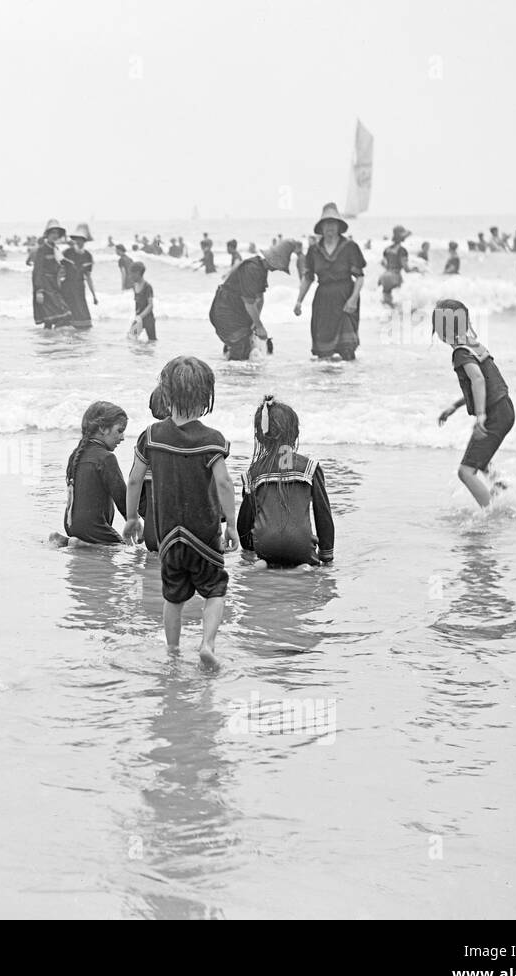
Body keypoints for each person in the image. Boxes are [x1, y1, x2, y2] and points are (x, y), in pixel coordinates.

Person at [122, 356, 237, 667]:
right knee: (215, 590)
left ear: (166, 395)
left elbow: (133, 479)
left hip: (168, 535)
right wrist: (233, 526)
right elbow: (225, 484)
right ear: (205, 398)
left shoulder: (151, 436)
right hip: (204, 533)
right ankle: (207, 645)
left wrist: (132, 518)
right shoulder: (212, 441)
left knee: (173, 596)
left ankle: (172, 653)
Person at [237, 395, 334, 567]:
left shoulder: (254, 472)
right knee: (306, 562)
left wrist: (249, 550)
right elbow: (323, 514)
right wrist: (326, 556)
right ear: (295, 433)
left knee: (266, 559)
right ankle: (302, 567)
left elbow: (245, 521)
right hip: (302, 550)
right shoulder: (310, 468)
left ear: (260, 437)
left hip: (265, 548)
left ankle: (266, 564)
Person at [435, 299, 515, 508]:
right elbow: (483, 383)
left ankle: (491, 513)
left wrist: (481, 415)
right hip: (504, 408)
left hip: (495, 412)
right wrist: (455, 406)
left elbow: (478, 379)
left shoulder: (460, 353)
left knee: (465, 471)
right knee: (480, 460)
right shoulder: (473, 347)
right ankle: (504, 490)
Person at [294, 204, 365, 361]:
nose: (330, 227)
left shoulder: (350, 247)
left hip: (345, 298)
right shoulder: (314, 250)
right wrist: (299, 300)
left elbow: (359, 277)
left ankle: (350, 383)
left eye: (333, 223)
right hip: (323, 301)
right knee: (323, 353)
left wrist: (353, 299)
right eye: (327, 223)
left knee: (347, 350)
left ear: (339, 226)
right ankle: (325, 385)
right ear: (321, 227)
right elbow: (308, 277)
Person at [211, 238, 300, 360]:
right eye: (280, 265)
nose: (278, 269)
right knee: (240, 346)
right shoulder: (252, 269)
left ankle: (236, 371)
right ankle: (233, 373)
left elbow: (260, 298)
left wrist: (255, 323)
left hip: (237, 310)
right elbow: (249, 302)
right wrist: (259, 326)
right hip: (226, 309)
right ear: (274, 261)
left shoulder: (261, 269)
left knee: (245, 344)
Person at [55, 401, 128, 545]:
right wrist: (133, 521)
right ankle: (81, 545)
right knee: (123, 550)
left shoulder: (76, 455)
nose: (123, 437)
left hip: (71, 526)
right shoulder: (106, 458)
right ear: (102, 428)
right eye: (119, 431)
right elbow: (122, 498)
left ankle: (68, 541)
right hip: (95, 529)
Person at [31, 220, 73, 329]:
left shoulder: (55, 249)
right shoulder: (42, 250)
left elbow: (60, 264)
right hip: (45, 286)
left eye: (57, 233)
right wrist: (39, 291)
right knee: (63, 315)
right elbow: (37, 270)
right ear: (48, 234)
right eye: (53, 232)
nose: (55, 235)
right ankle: (53, 342)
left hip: (54, 285)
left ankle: (50, 343)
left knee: (51, 318)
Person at [61, 223, 99, 329]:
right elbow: (59, 271)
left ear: (85, 240)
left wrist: (94, 295)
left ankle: (81, 340)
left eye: (82, 239)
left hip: (79, 287)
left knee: (83, 317)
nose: (79, 241)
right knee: (68, 317)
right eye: (77, 239)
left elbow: (88, 277)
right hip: (67, 287)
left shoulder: (88, 256)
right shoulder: (67, 253)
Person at [379, 225, 412, 307]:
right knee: (399, 304)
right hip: (394, 276)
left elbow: (383, 263)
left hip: (384, 276)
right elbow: (406, 269)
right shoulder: (402, 250)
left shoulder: (387, 249)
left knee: (387, 303)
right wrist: (415, 270)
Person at [128, 262, 156, 342]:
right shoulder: (134, 285)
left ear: (138, 273)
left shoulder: (147, 287)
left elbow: (150, 305)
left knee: (152, 341)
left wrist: (140, 316)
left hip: (148, 320)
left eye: (132, 274)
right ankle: (141, 352)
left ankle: (148, 353)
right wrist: (137, 318)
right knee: (131, 338)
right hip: (138, 320)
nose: (130, 276)